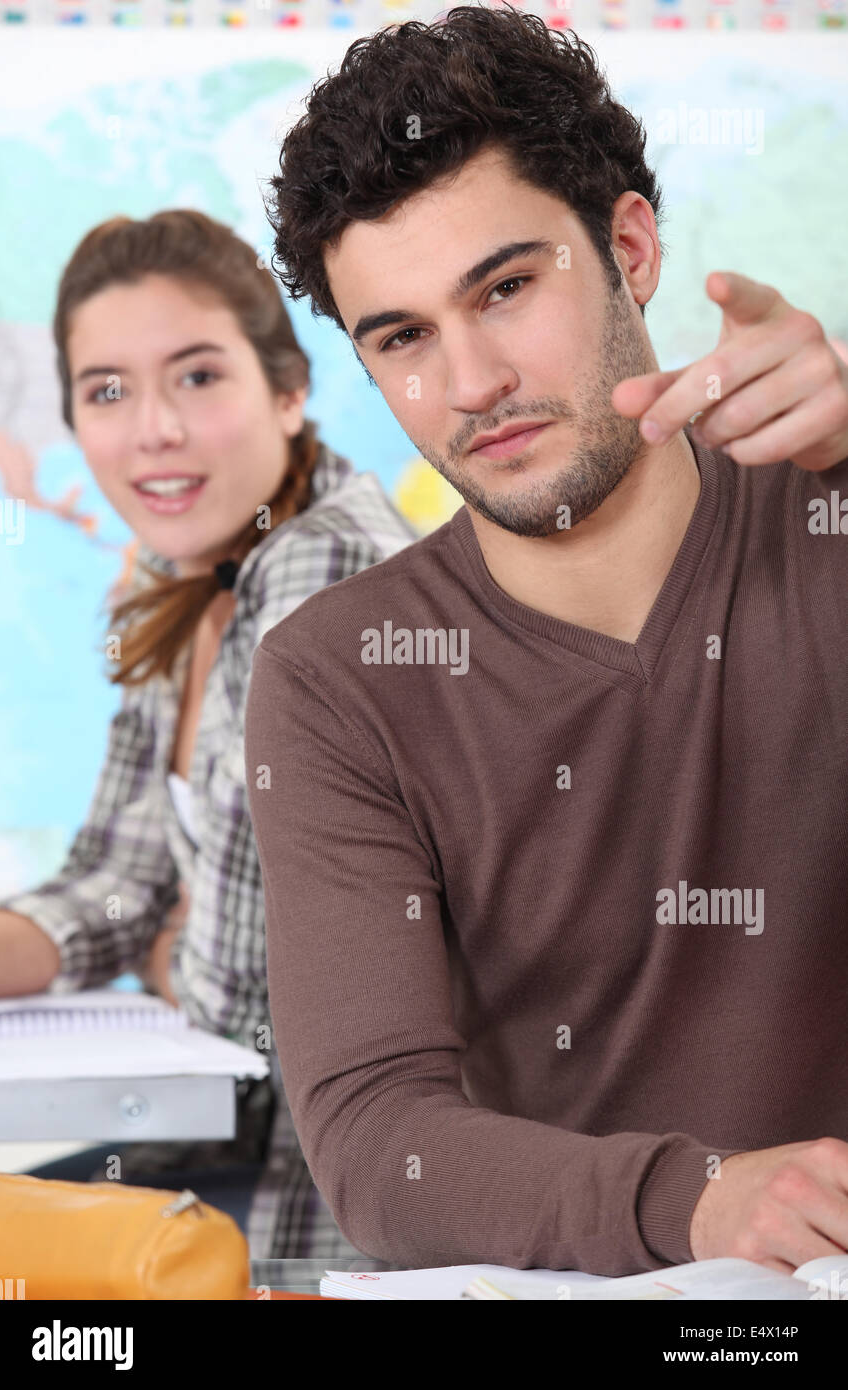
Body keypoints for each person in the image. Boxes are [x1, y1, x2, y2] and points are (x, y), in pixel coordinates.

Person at [243, 7, 848, 1277]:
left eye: (506, 288)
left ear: (629, 248)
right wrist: (701, 1200)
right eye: (401, 337)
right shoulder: (333, 679)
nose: (468, 384)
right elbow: (373, 1136)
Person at [0, 208, 417, 1259]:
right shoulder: (186, 574)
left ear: (287, 388)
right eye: (108, 391)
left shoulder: (321, 568)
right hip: (241, 1145)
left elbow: (264, 987)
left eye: (197, 376)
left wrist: (184, 949)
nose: (152, 431)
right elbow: (115, 878)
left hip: (336, 1198)